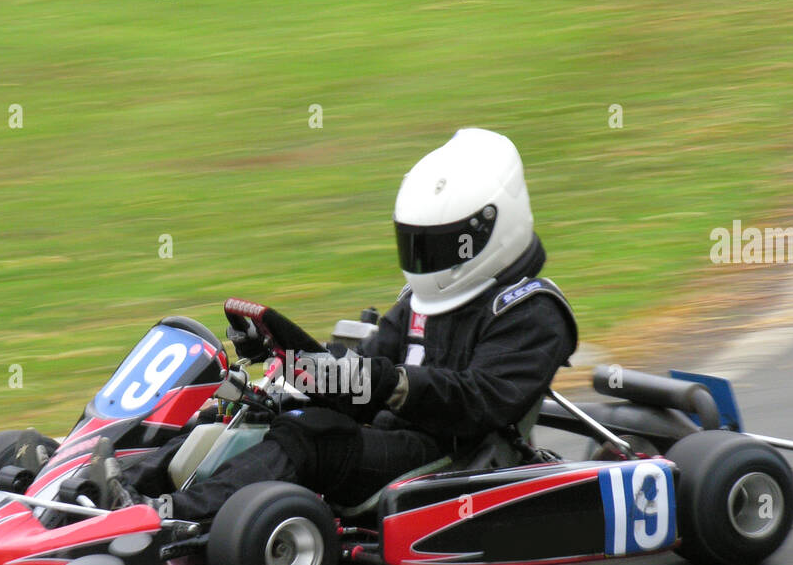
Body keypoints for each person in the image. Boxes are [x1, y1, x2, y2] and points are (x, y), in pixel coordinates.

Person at [102, 127, 578, 523]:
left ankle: (171, 516)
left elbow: (480, 404)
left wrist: (394, 385)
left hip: (449, 461)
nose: (422, 260)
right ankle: (112, 488)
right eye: (416, 244)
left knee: (311, 437)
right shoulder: (419, 300)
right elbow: (364, 374)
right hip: (391, 436)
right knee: (243, 414)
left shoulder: (531, 313)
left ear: (488, 232)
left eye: (436, 246)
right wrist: (297, 365)